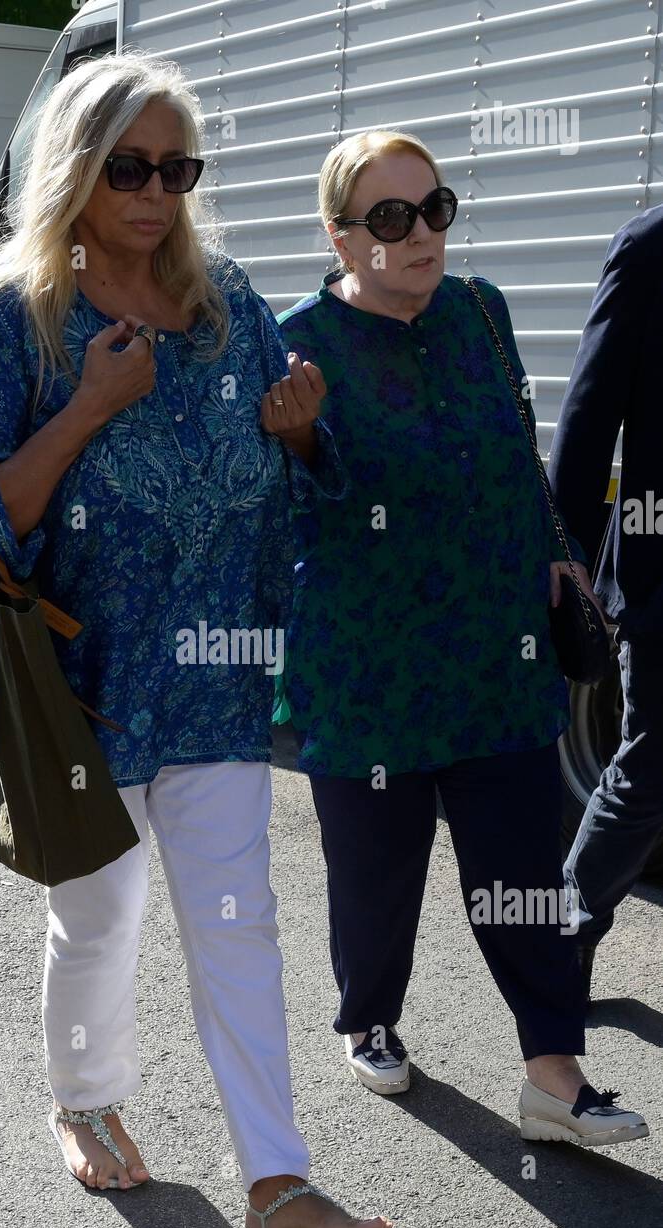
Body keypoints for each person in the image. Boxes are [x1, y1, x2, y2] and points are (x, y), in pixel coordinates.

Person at [0, 52, 394, 1228]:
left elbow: (302, 482)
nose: (155, 191)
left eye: (177, 168)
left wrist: (300, 435)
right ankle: (84, 1099)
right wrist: (82, 408)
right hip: (76, 692)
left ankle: (277, 1183)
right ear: (78, 166)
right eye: (129, 166)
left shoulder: (227, 301)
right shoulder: (5, 319)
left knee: (237, 918)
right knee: (100, 914)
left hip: (218, 680)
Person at [273, 128, 648, 1147]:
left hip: (494, 654)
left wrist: (559, 558)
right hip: (366, 664)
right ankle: (366, 1017)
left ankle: (552, 1078)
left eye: (432, 208)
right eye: (389, 217)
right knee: (376, 878)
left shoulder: (482, 313)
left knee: (519, 872)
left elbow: (520, 460)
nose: (418, 233)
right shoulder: (296, 340)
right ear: (341, 235)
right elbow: (287, 505)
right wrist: (303, 436)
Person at [549, 205, 663, 999]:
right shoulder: (651, 247)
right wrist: (567, 554)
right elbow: (588, 417)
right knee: (653, 761)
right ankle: (563, 936)